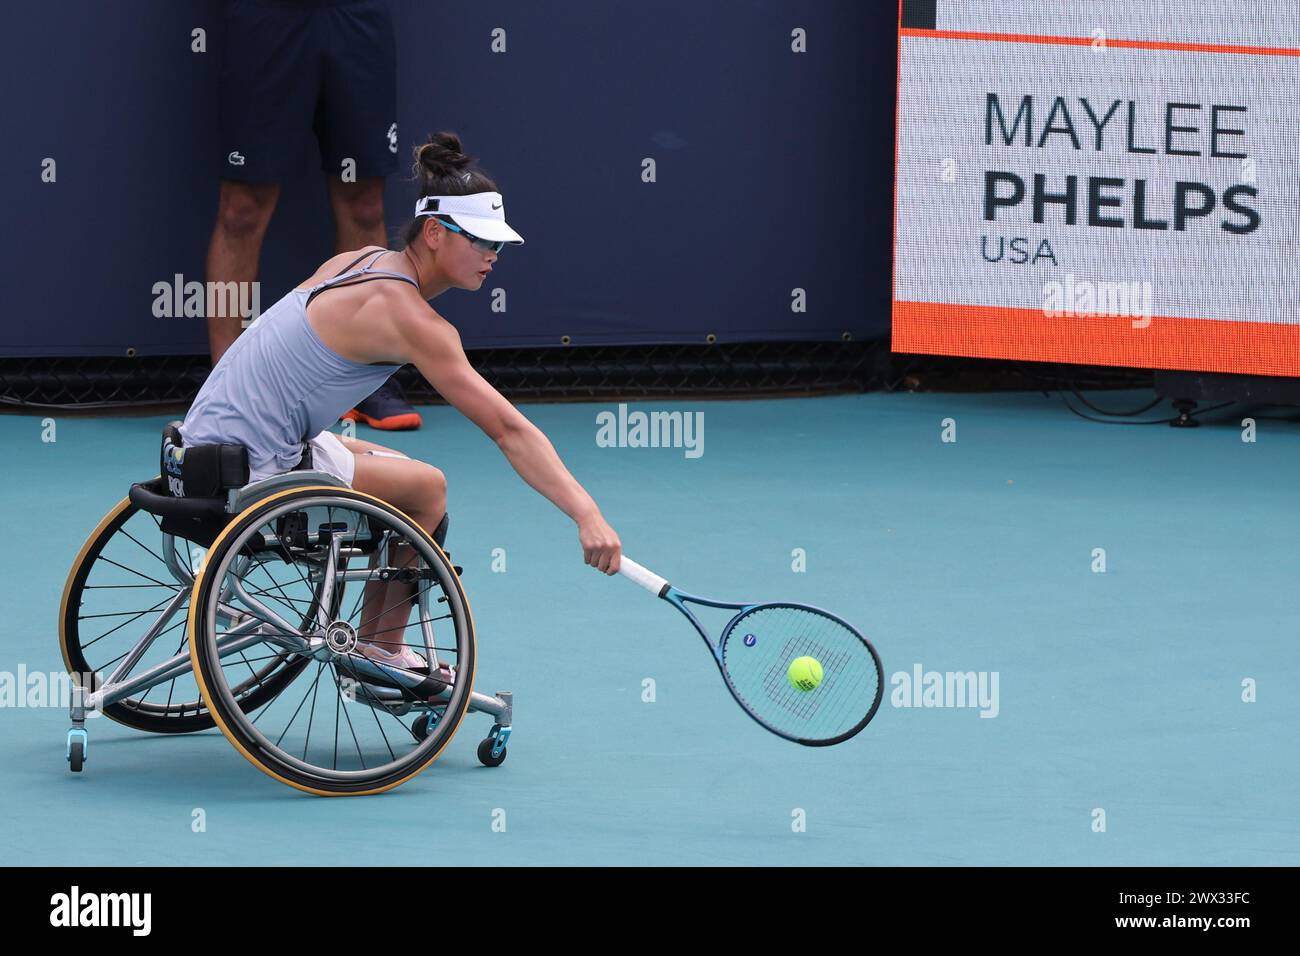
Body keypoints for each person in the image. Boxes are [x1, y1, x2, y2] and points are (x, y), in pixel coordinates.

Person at [179, 132, 623, 670]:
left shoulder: (358, 260)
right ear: (434, 233)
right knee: (426, 490)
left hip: (204, 446)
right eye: (481, 241)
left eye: (499, 245)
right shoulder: (414, 321)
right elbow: (509, 431)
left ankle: (377, 636)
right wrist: (587, 515)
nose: (493, 256)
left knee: (401, 467)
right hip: (250, 471)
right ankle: (380, 648)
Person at [207, 0, 421, 429]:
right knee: (241, 210)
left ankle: (360, 382)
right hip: (265, 20)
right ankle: (224, 386)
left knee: (364, 202)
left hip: (354, 16)